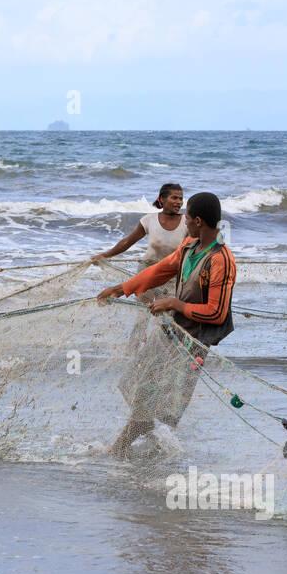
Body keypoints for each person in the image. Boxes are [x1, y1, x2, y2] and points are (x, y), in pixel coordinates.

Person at [96, 192, 236, 458]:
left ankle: (118, 452)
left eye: (186, 215)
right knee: (133, 382)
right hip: (171, 332)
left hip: (191, 344)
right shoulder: (189, 248)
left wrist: (174, 303)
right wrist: (120, 288)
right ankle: (151, 440)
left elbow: (216, 313)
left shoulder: (221, 260)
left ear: (197, 221)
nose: (182, 219)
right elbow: (159, 271)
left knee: (151, 398)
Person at [93, 183, 186, 267]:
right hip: (147, 271)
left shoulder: (187, 222)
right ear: (162, 199)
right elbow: (127, 242)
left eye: (180, 199)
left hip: (174, 274)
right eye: (174, 198)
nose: (178, 202)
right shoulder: (149, 220)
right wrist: (105, 255)